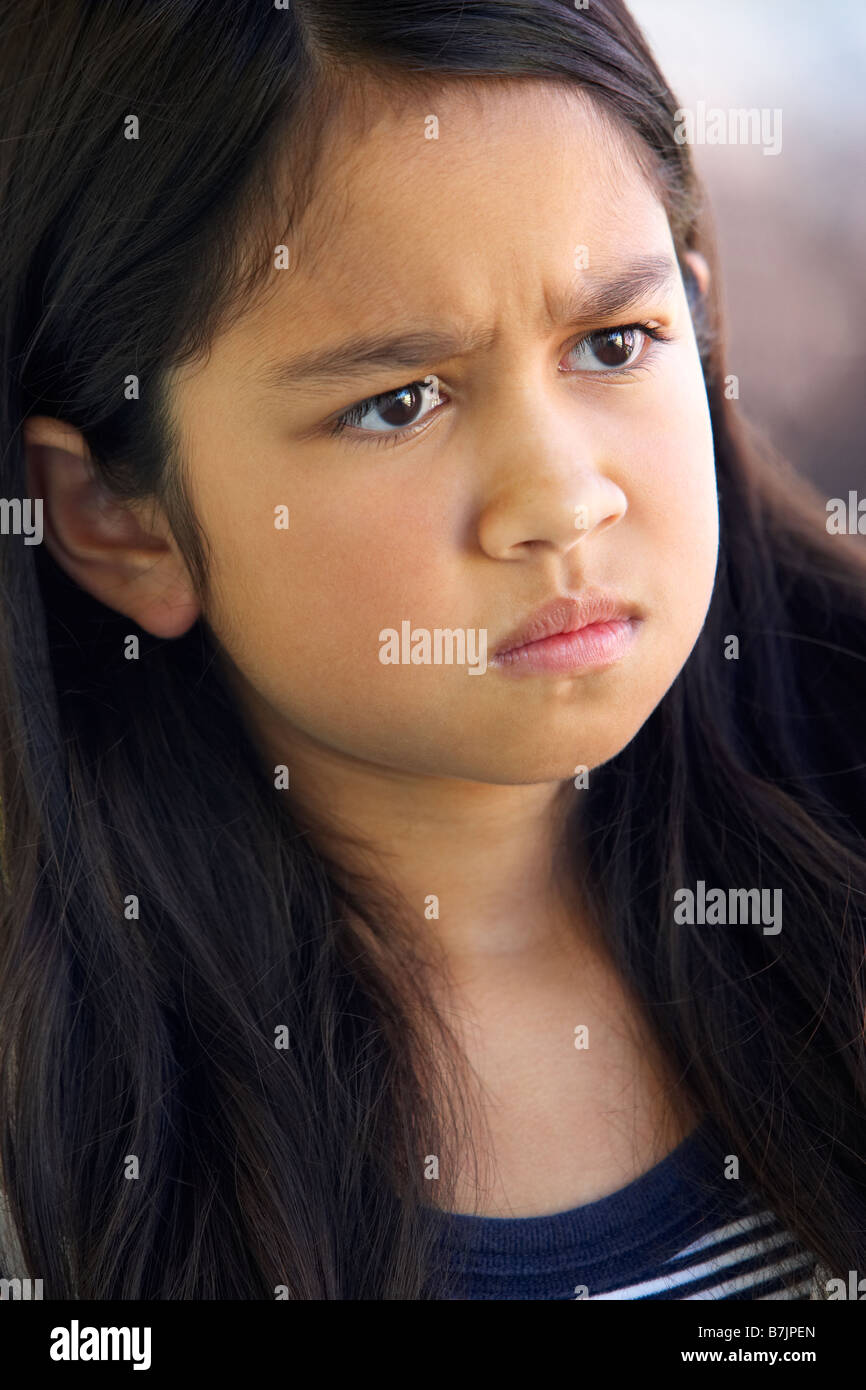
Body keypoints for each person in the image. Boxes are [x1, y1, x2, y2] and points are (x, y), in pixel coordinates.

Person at [0, 0, 864, 1300]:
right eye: (397, 403)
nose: (564, 500)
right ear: (117, 521)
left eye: (614, 343)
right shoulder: (50, 1173)